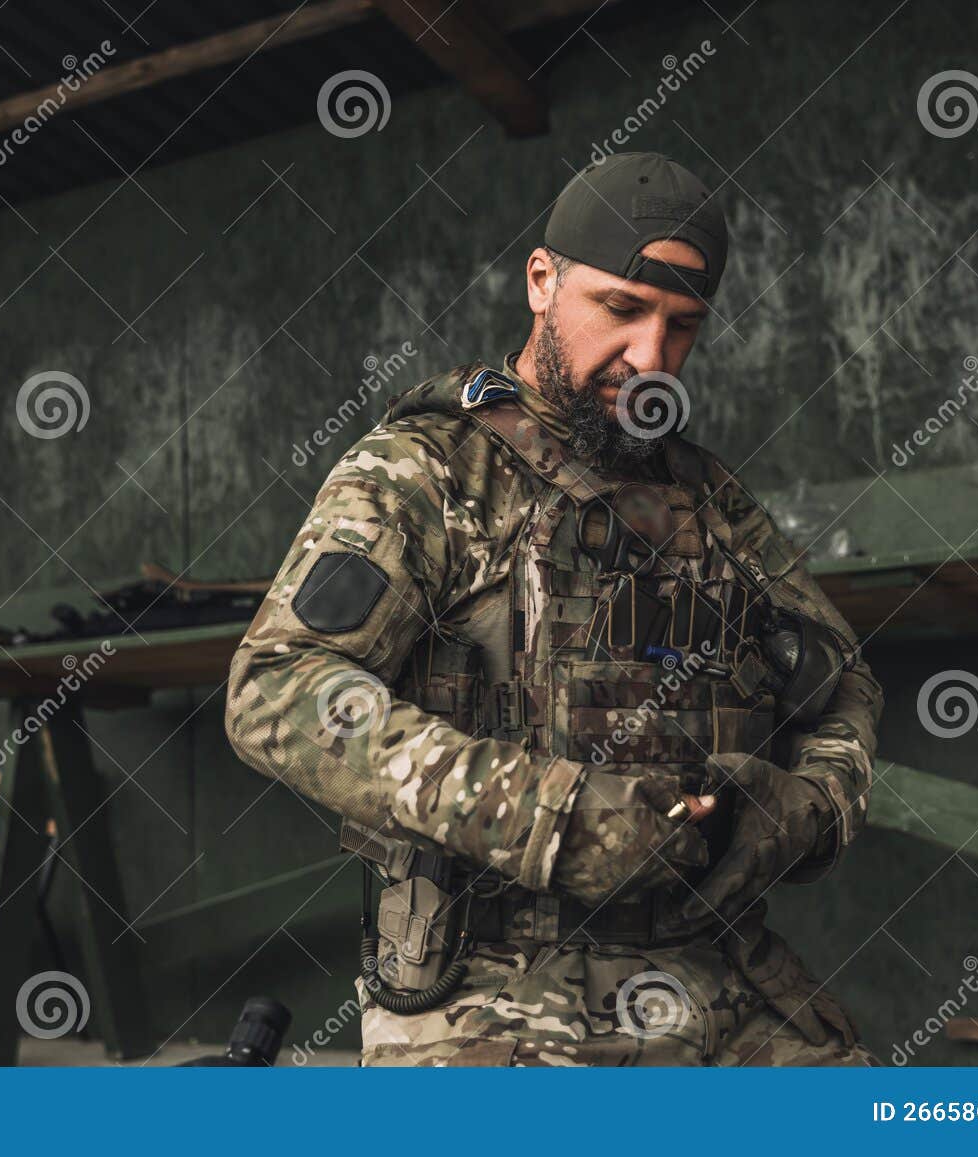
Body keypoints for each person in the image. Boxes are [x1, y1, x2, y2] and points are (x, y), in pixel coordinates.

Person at [225, 152, 883, 1066]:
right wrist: (551, 818)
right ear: (543, 281)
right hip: (490, 986)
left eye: (682, 324)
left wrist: (798, 811)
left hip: (706, 967)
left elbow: (842, 690)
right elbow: (275, 689)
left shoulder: (709, 499)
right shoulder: (427, 471)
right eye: (622, 309)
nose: (652, 357)